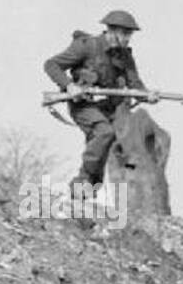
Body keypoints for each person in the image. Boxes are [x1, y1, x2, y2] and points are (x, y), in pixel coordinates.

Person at [43, 10, 148, 195]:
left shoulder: (124, 56)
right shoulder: (86, 46)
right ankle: (81, 182)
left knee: (108, 140)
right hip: (83, 105)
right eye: (124, 33)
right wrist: (69, 86)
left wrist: (148, 95)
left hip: (107, 108)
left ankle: (88, 191)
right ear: (111, 31)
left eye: (129, 34)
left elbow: (135, 84)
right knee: (104, 133)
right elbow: (51, 65)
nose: (127, 39)